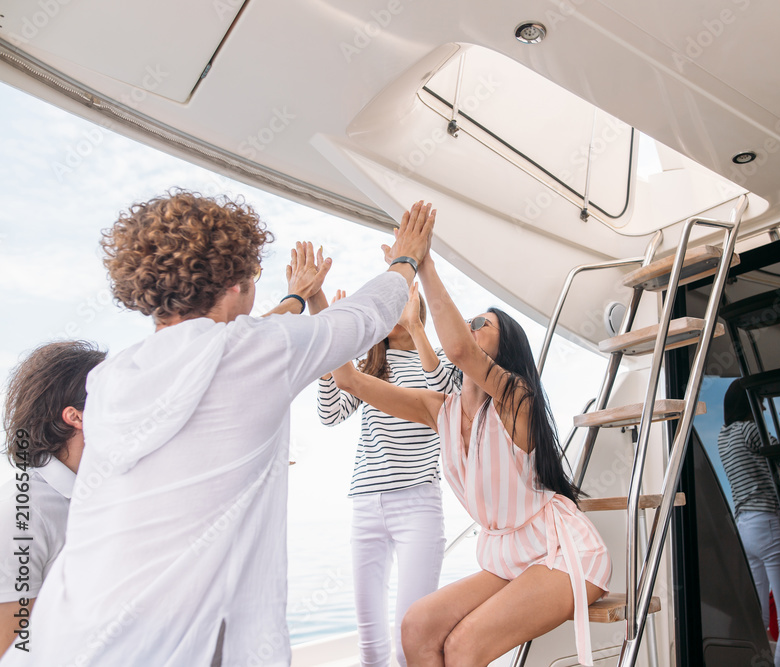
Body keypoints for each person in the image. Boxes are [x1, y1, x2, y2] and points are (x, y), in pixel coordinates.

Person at [0, 193, 435, 667]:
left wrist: (293, 299)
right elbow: (364, 316)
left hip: (69, 638)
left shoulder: (113, 377)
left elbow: (215, 355)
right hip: (174, 646)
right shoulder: (255, 353)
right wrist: (406, 259)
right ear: (236, 282)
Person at [326, 228, 611, 667]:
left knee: (464, 645)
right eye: (471, 320)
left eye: (483, 323)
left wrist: (423, 263)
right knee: (416, 627)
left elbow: (457, 348)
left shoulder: (517, 398)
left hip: (562, 553)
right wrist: (324, 308)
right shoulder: (440, 408)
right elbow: (347, 381)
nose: (471, 326)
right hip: (509, 556)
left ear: (505, 350)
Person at [314, 282, 460, 667]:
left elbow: (446, 396)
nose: (394, 311)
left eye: (403, 304)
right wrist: (338, 342)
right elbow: (329, 414)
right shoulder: (369, 368)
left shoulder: (437, 360)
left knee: (410, 641)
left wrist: (416, 329)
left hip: (418, 505)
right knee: (371, 651)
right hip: (365, 506)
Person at [0, 341, 106, 656]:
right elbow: (10, 644)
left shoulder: (107, 495)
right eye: (114, 400)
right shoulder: (26, 508)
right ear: (77, 416)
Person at [717, 381, 780, 667]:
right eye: (758, 402)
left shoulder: (724, 436)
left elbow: (764, 468)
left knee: (757, 620)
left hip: (744, 527)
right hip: (770, 525)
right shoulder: (753, 429)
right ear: (748, 404)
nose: (762, 407)